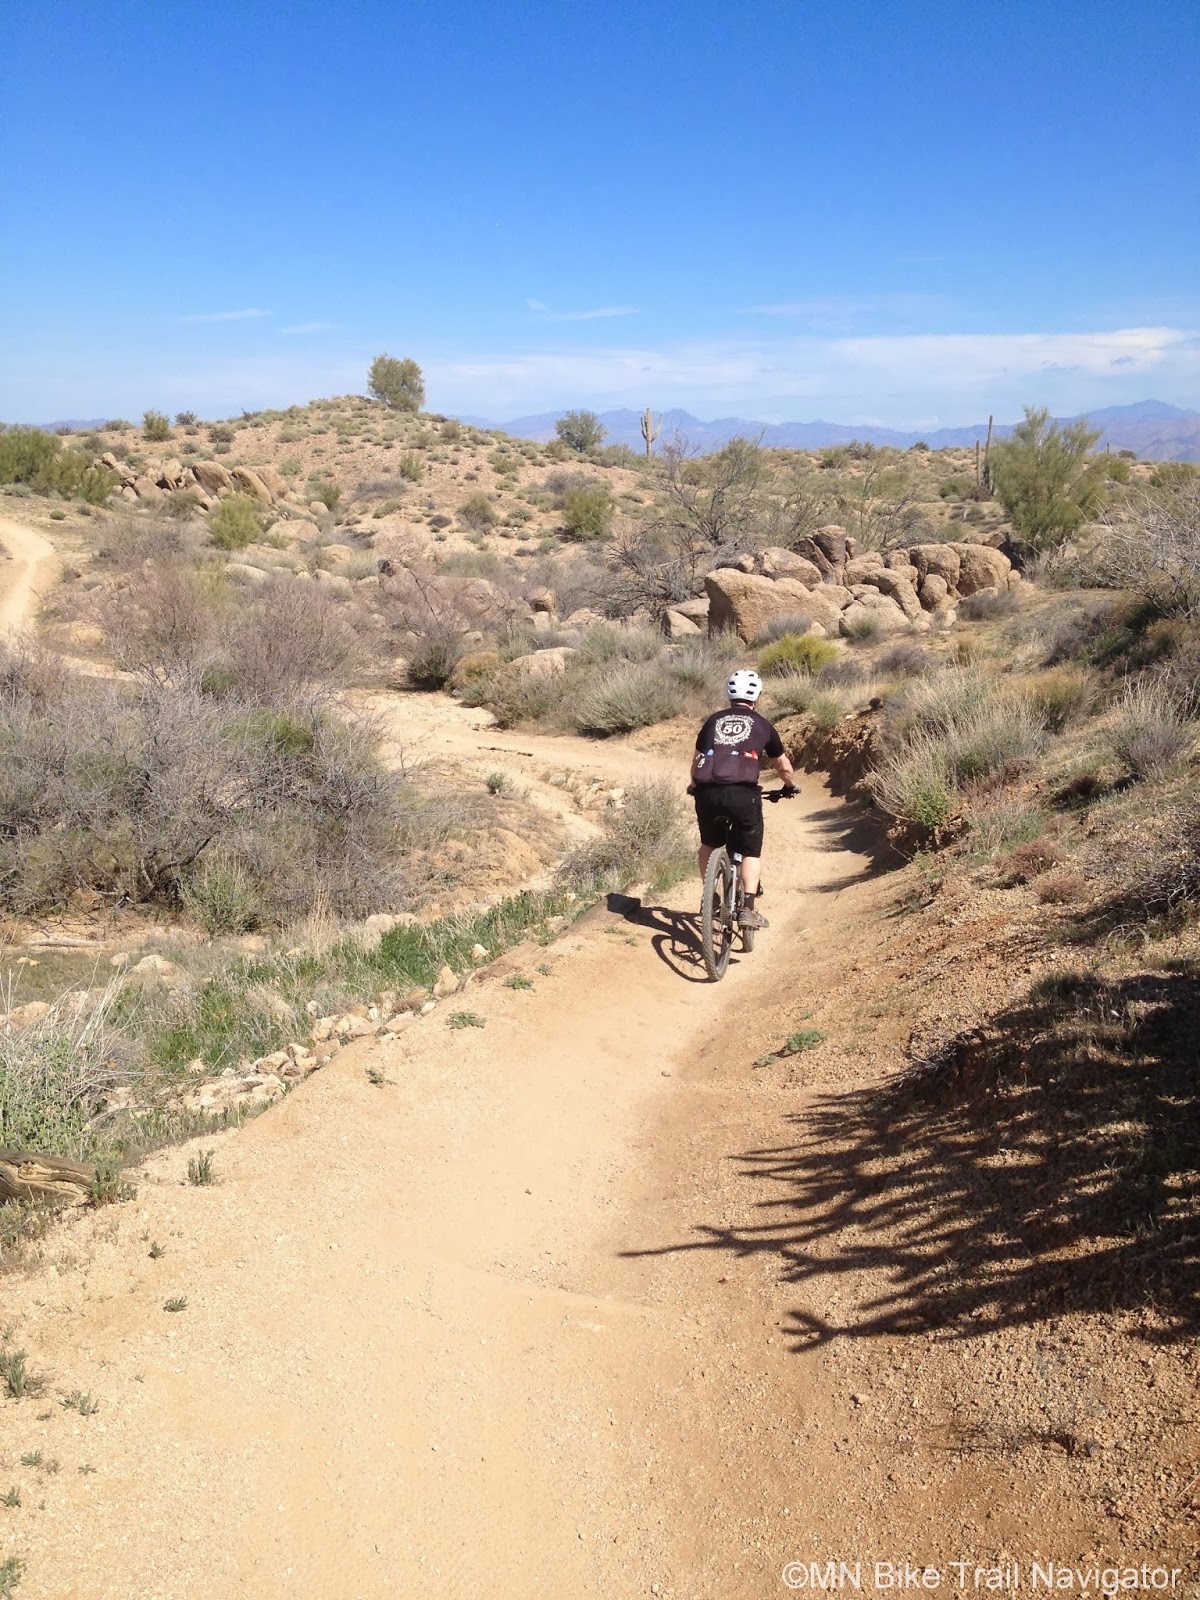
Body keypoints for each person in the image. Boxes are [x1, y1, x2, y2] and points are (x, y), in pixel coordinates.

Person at [690, 669, 796, 930]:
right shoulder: (762, 725)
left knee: (709, 843)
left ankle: (710, 898)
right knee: (750, 851)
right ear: (757, 697)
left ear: (729, 695)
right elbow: (783, 766)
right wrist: (790, 786)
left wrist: (694, 786)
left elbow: (697, 761)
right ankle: (748, 909)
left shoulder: (712, 721)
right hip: (742, 794)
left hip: (707, 793)